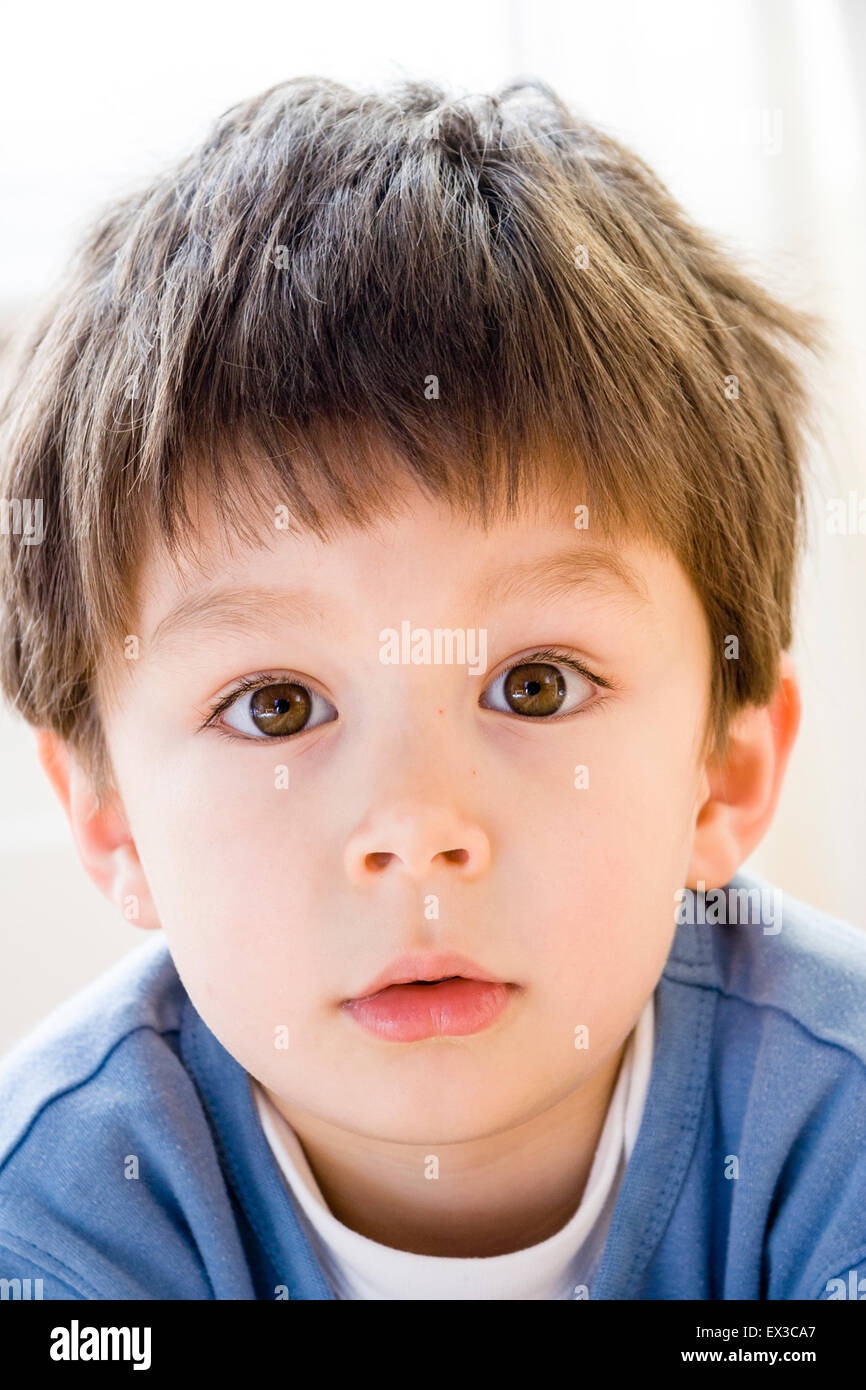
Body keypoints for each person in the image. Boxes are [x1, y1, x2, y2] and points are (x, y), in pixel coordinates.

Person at [0, 75, 863, 1301]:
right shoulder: (58, 1223)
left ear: (722, 770)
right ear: (110, 818)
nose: (417, 829)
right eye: (276, 706)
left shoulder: (830, 1131)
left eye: (534, 684)